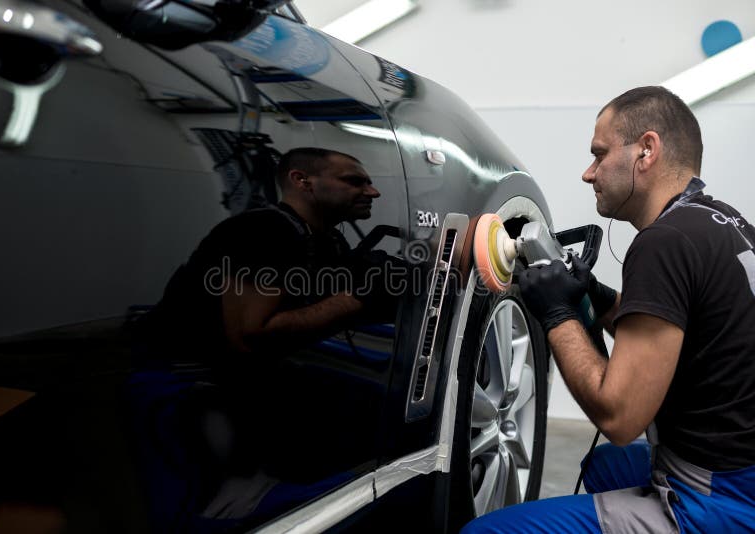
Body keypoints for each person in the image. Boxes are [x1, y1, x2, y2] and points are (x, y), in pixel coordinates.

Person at [463, 86, 755, 533]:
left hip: (722, 500)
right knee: (606, 465)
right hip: (741, 464)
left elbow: (620, 417)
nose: (588, 172)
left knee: (484, 532)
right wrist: (599, 297)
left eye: (599, 154)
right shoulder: (723, 222)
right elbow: (685, 337)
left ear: (647, 150)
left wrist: (557, 314)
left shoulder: (663, 243)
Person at [128, 147, 397, 531]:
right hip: (181, 384)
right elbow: (249, 337)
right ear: (302, 181)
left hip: (242, 377)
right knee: (221, 511)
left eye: (369, 182)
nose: (373, 192)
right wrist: (360, 297)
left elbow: (336, 304)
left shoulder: (325, 242)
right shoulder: (262, 231)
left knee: (377, 413)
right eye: (355, 180)